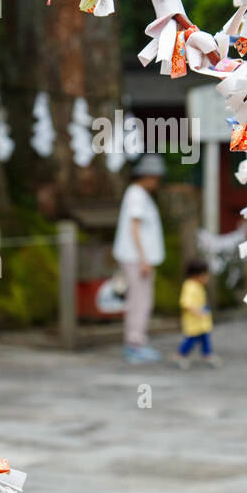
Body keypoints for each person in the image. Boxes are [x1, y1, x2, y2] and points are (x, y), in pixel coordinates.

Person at [112, 154, 165, 363]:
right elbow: (134, 227)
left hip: (137, 257)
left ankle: (136, 341)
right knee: (140, 300)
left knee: (139, 299)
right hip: (136, 258)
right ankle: (135, 343)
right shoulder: (136, 194)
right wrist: (143, 259)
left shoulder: (137, 193)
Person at [175, 259, 220, 368]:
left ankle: (207, 355)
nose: (207, 278)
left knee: (205, 339)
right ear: (198, 275)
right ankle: (180, 355)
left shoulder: (197, 286)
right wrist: (198, 312)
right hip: (194, 322)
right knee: (190, 340)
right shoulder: (190, 286)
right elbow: (186, 302)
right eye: (205, 275)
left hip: (201, 323)